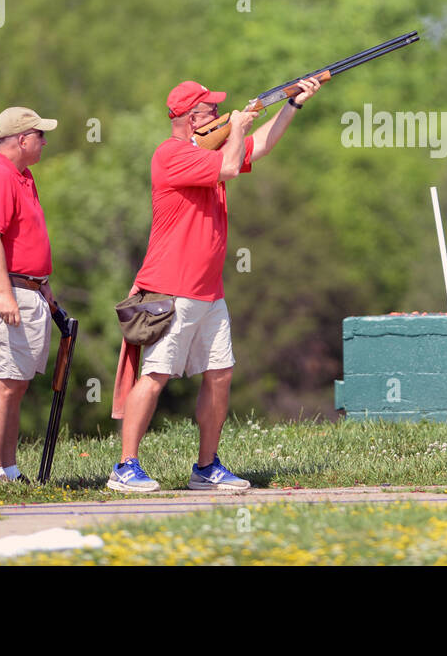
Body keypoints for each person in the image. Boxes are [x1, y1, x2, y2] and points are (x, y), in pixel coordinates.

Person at [109, 76, 322, 492]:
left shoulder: (204, 151)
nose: (218, 114)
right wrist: (238, 128)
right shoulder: (171, 155)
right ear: (193, 119)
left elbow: (257, 148)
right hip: (172, 287)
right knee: (154, 375)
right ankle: (125, 467)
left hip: (208, 290)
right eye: (210, 110)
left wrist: (292, 105)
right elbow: (230, 164)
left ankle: (206, 467)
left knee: (220, 373)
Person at [0, 106, 59, 484]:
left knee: (16, 384)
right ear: (23, 139)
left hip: (29, 291)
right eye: (40, 135)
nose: (44, 142)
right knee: (3, 383)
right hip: (12, 294)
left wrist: (45, 288)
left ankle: (8, 468)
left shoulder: (22, 176)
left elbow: (25, 241)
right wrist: (5, 294)